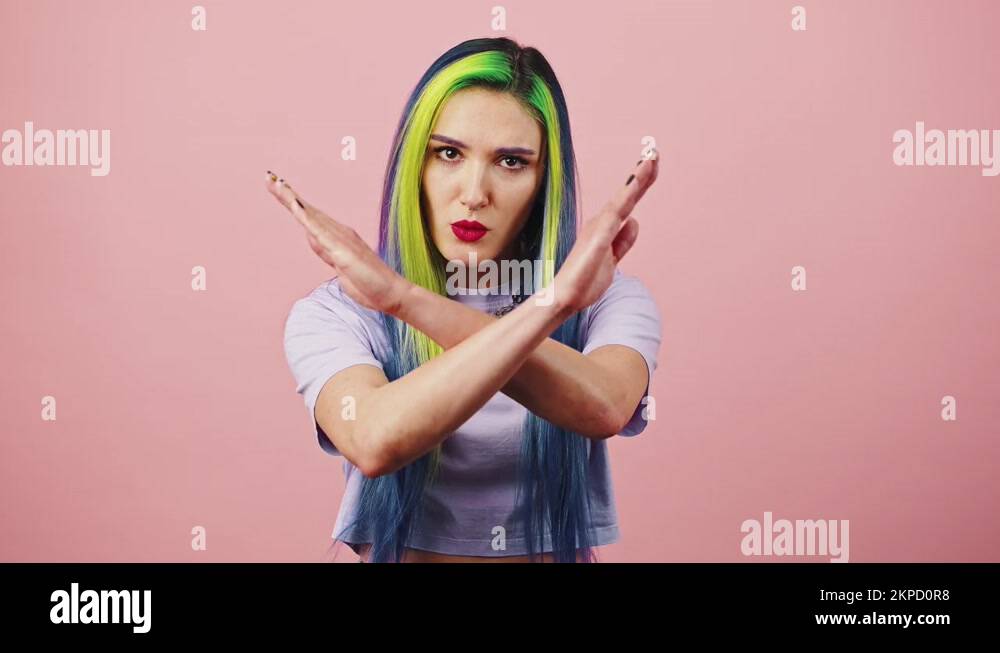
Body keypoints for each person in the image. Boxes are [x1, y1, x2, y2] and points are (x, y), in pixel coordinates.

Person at [271, 37, 662, 563]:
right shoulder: (338, 313)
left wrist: (556, 303)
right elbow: (374, 439)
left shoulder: (606, 301)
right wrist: (404, 301)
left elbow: (605, 406)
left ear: (546, 179)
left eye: (511, 162)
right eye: (449, 153)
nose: (475, 192)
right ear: (416, 164)